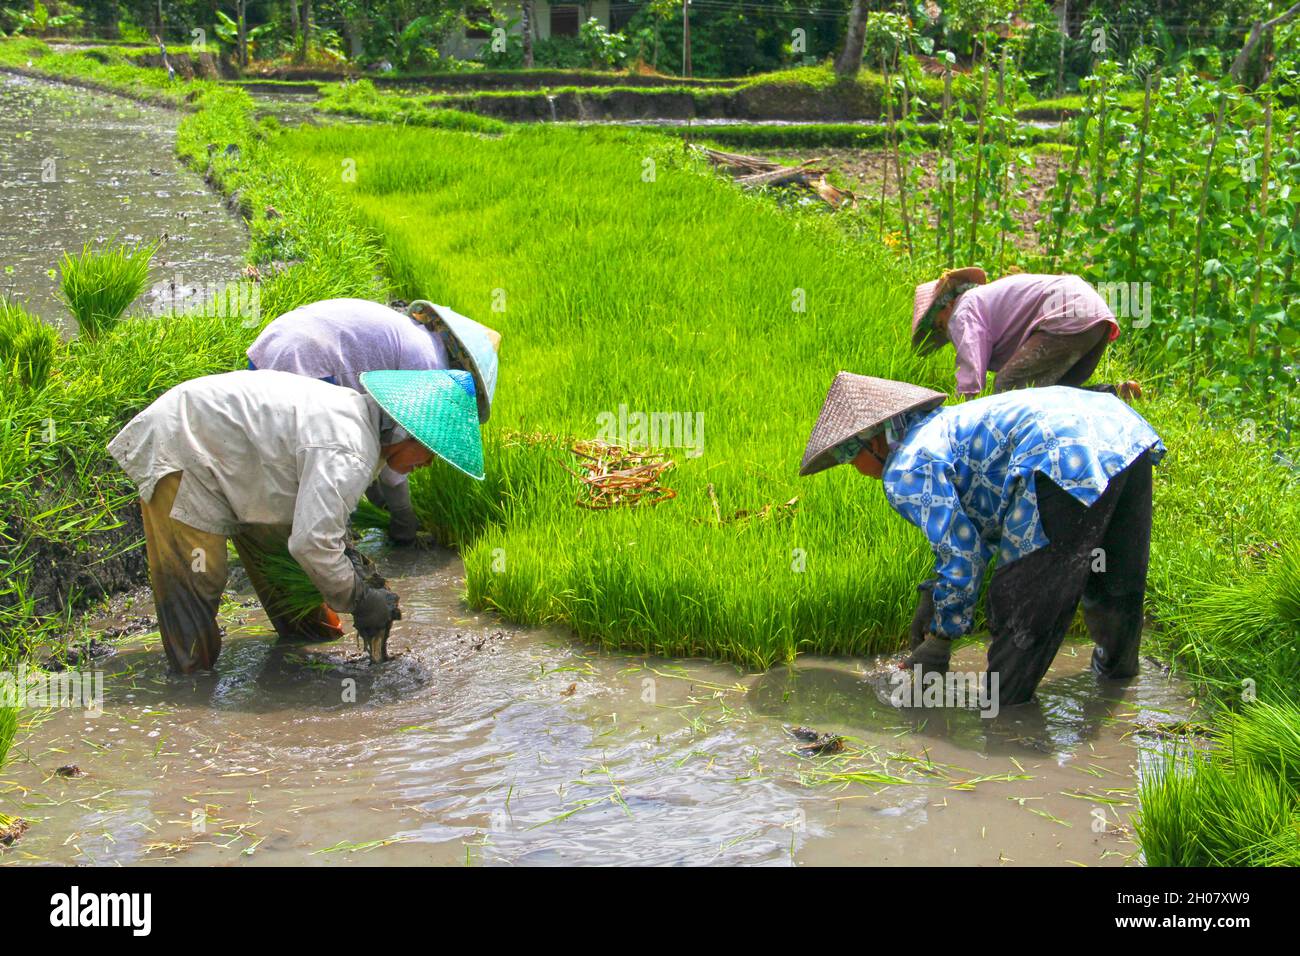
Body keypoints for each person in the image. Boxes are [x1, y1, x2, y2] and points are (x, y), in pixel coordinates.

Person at [799, 372, 1166, 706]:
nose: (856, 471)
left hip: (1057, 452)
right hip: (1119, 429)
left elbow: (962, 557)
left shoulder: (905, 466)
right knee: (1115, 583)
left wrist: (940, 639)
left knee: (1020, 599)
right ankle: (1117, 682)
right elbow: (983, 522)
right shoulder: (945, 425)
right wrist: (935, 592)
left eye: (850, 459)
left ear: (873, 442)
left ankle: (1008, 717)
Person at [107, 367, 486, 673]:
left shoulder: (358, 428)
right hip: (187, 445)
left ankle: (304, 646)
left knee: (289, 573)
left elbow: (318, 528)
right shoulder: (349, 449)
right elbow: (312, 543)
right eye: (429, 451)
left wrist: (351, 565)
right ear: (405, 433)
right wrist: (359, 597)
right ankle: (191, 686)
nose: (429, 463)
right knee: (197, 577)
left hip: (247, 469)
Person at [246, 297, 500, 544]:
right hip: (305, 362)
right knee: (310, 464)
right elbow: (395, 456)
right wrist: (403, 517)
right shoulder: (429, 367)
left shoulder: (422, 340)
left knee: (285, 460)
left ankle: (280, 539)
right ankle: (304, 547)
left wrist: (377, 499)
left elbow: (375, 440)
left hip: (278, 343)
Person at [911, 268, 1141, 400]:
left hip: (1067, 314)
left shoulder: (962, 311)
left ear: (946, 305)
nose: (946, 332)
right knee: (1056, 397)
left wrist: (963, 407)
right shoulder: (982, 300)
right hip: (1093, 315)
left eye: (940, 326)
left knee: (1007, 386)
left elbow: (971, 369)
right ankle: (1113, 395)